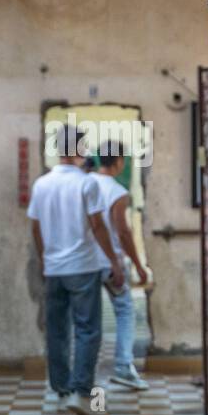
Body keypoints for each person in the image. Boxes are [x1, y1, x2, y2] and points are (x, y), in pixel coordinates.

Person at [28, 125, 125, 415]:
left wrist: (45, 259)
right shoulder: (87, 184)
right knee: (87, 330)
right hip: (83, 267)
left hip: (55, 269)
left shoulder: (41, 184)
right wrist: (114, 261)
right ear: (80, 149)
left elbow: (35, 225)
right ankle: (81, 393)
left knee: (57, 331)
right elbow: (97, 225)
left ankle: (61, 392)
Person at [91, 141, 150, 390]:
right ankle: (123, 367)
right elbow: (123, 232)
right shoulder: (117, 192)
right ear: (117, 162)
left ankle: (84, 377)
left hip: (86, 262)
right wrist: (138, 265)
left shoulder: (86, 184)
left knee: (86, 319)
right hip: (111, 262)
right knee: (125, 311)